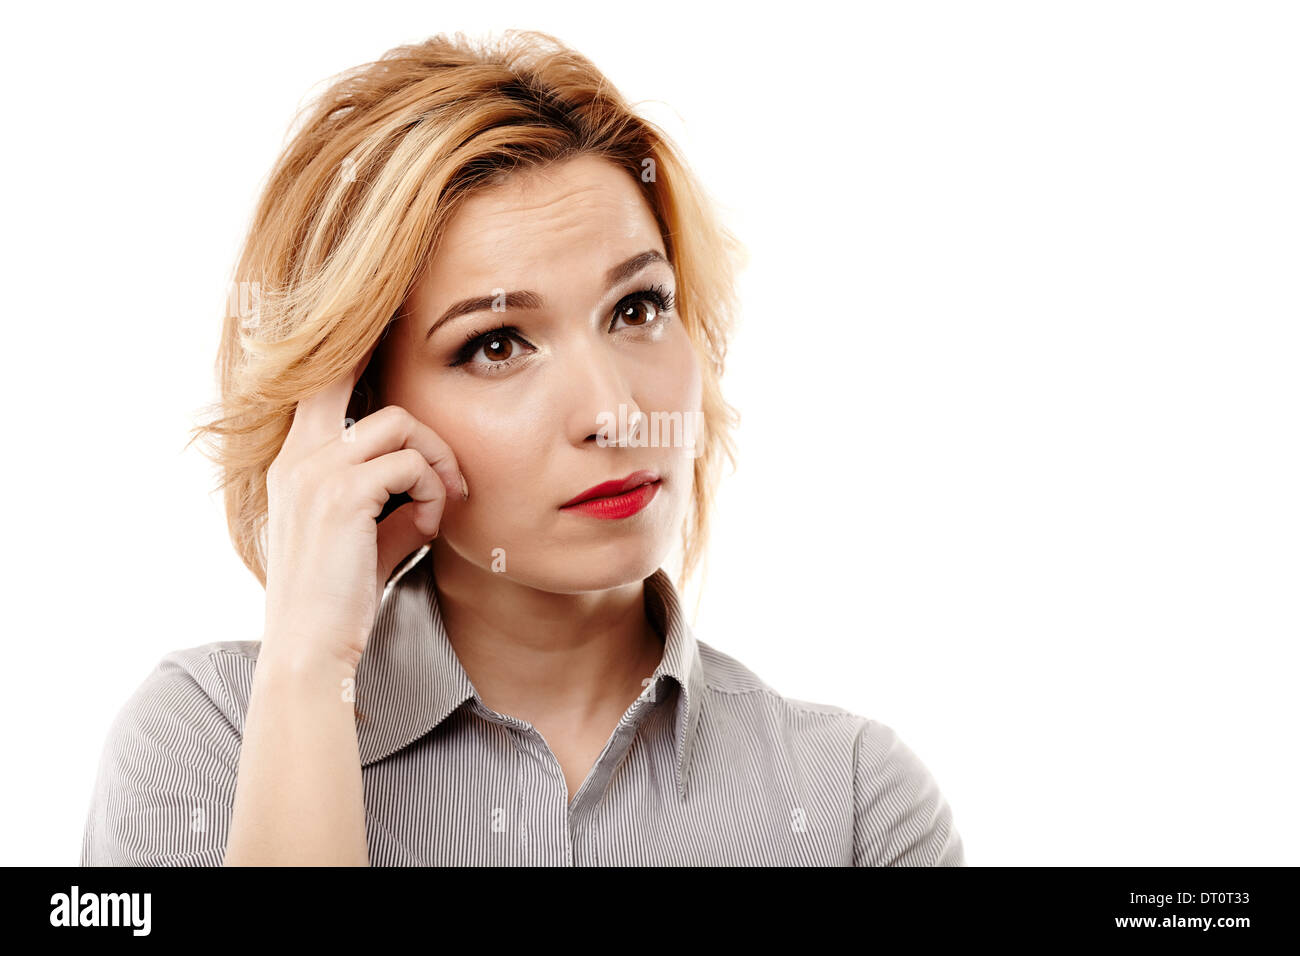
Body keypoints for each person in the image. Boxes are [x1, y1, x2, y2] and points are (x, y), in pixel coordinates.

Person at [79, 29, 964, 866]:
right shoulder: (203, 746)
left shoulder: (852, 801)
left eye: (638, 308)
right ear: (361, 411)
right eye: (498, 343)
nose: (614, 413)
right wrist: (309, 676)